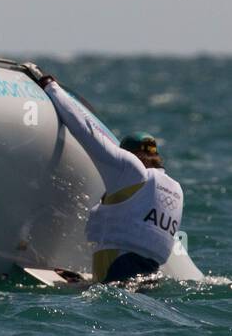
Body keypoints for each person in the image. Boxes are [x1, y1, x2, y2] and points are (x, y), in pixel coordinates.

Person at [22, 62, 182, 284]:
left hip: (118, 272)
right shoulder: (174, 189)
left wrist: (50, 86)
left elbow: (85, 131)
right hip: (149, 278)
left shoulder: (129, 169)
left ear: (128, 153)